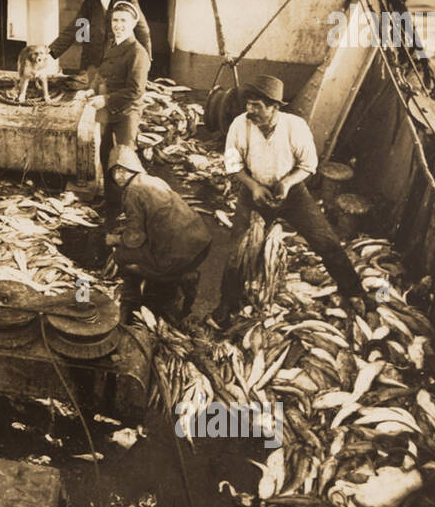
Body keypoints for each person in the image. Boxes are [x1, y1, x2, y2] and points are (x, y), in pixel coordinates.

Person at [215, 74, 369, 320]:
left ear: (274, 107)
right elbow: (233, 164)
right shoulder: (239, 125)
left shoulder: (295, 127)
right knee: (237, 252)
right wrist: (253, 186)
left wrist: (286, 183)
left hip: (292, 194)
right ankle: (227, 304)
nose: (249, 110)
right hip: (253, 191)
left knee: (326, 241)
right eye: (248, 104)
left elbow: (309, 164)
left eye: (257, 105)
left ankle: (355, 292)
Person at [106, 145, 212, 322]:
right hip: (200, 242)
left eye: (121, 171)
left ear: (131, 169)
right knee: (144, 249)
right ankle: (181, 275)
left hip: (176, 254)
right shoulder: (153, 180)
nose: (118, 176)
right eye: (115, 172)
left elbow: (134, 240)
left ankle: (137, 300)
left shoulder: (132, 191)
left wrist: (114, 240)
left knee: (122, 257)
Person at [83, 1, 151, 229]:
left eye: (123, 21)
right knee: (105, 154)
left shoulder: (137, 52)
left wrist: (106, 99)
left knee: (124, 162)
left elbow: (135, 91)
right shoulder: (112, 44)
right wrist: (92, 89)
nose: (118, 25)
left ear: (133, 23)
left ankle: (129, 209)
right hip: (108, 112)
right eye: (115, 20)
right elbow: (102, 73)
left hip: (126, 113)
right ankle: (112, 203)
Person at [49, 0, 152, 83]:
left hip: (119, 55)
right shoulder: (88, 4)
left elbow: (142, 29)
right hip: (95, 59)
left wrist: (147, 57)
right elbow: (74, 29)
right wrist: (51, 51)